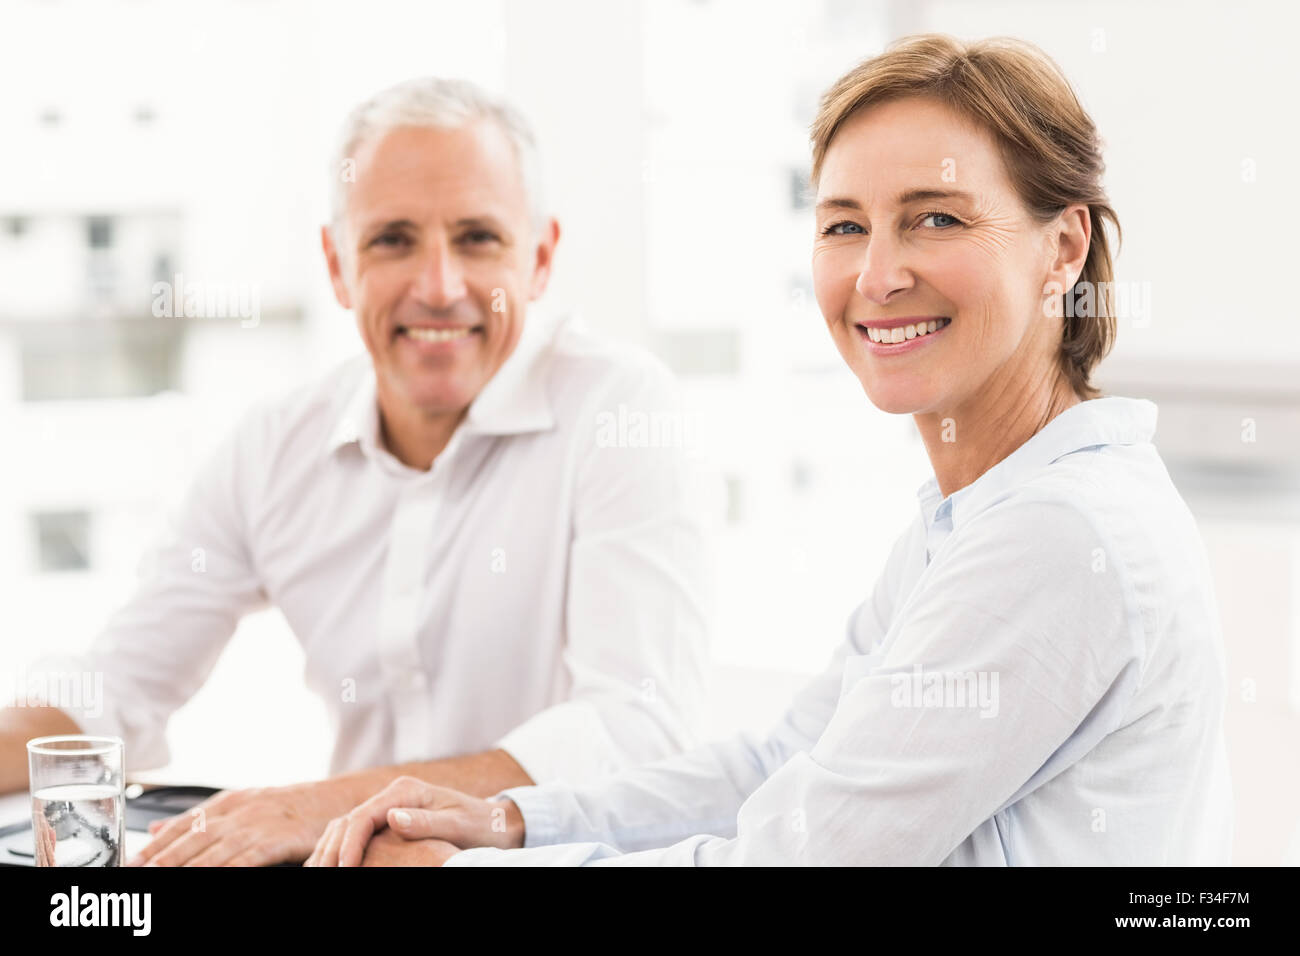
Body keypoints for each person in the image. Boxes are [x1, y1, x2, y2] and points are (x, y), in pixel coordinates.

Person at [306, 34, 1233, 867]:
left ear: (1063, 246)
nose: (877, 275)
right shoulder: (969, 519)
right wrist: (507, 819)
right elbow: (781, 763)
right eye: (843, 225)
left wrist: (456, 871)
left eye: (936, 217)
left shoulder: (1060, 535)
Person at [0, 77, 715, 867]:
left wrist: (318, 805)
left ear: (539, 258)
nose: (439, 287)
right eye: (393, 240)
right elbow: (115, 689)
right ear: (337, 265)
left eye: (478, 237)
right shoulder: (275, 445)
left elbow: (632, 732)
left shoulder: (620, 410)